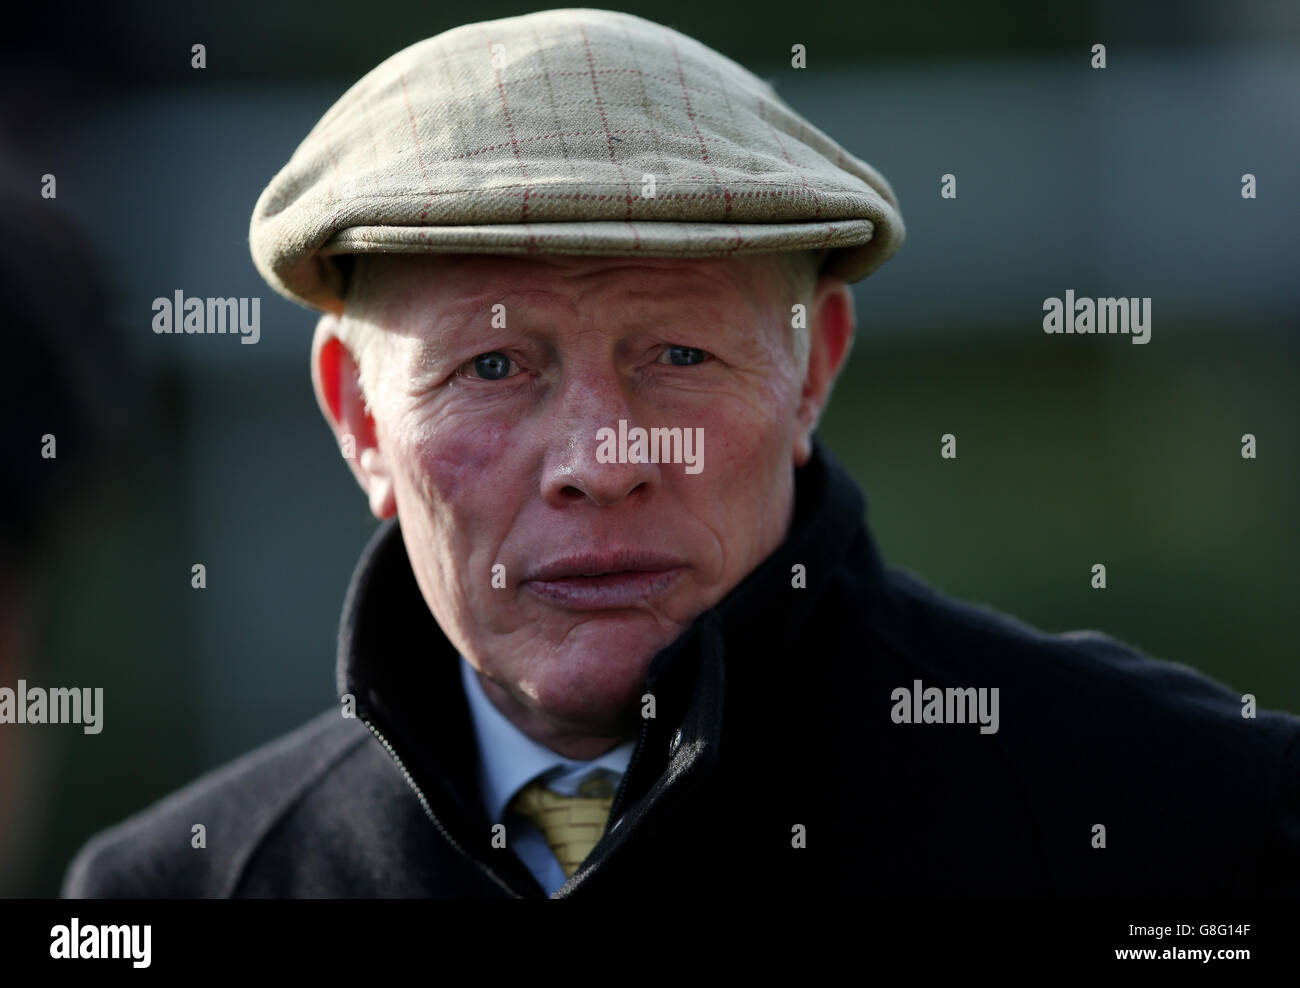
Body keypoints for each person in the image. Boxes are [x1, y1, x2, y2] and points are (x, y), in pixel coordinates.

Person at [63, 8, 1299, 899]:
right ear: (360, 418)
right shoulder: (175, 891)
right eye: (494, 367)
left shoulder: (1191, 823)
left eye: (678, 357)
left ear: (811, 367)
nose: (601, 458)